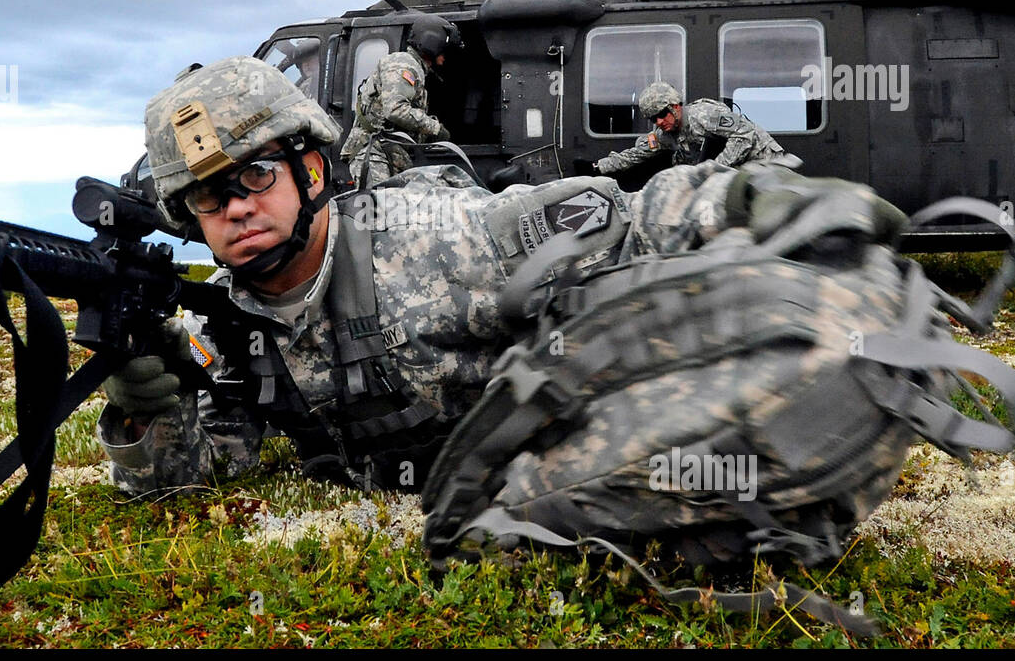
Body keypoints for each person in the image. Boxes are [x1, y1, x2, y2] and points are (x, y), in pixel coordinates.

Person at [96, 55, 756, 497]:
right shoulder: (233, 325)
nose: (238, 206)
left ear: (314, 171)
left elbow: (631, 221)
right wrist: (149, 408)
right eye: (210, 196)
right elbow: (202, 469)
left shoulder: (434, 237)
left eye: (257, 175)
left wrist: (749, 205)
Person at [339, 16, 459, 188]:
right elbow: (395, 109)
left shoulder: (415, 68)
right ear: (432, 44)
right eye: (443, 50)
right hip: (373, 153)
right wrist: (435, 128)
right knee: (380, 210)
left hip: (389, 154)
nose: (445, 57)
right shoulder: (404, 65)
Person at [593, 82, 801, 176]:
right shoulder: (664, 135)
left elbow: (744, 133)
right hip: (739, 172)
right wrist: (598, 167)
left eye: (661, 114)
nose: (658, 122)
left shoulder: (703, 115)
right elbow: (637, 154)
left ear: (675, 107)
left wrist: (713, 169)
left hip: (764, 161)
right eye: (652, 118)